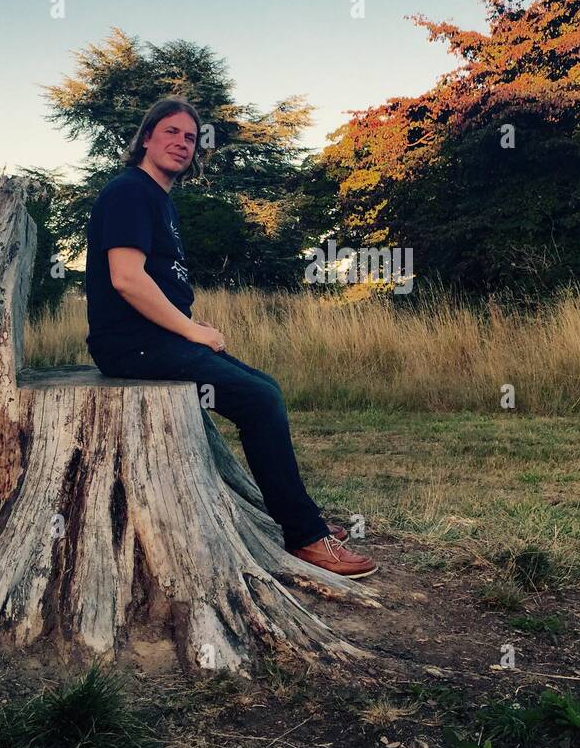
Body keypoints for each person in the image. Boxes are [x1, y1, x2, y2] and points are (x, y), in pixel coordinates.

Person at [83, 95, 377, 578]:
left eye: (191, 138)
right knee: (258, 400)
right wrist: (191, 330)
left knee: (266, 390)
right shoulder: (129, 192)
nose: (182, 143)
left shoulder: (159, 199)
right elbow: (126, 278)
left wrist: (189, 332)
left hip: (159, 339)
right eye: (171, 132)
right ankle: (305, 538)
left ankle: (303, 517)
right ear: (146, 137)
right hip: (132, 345)